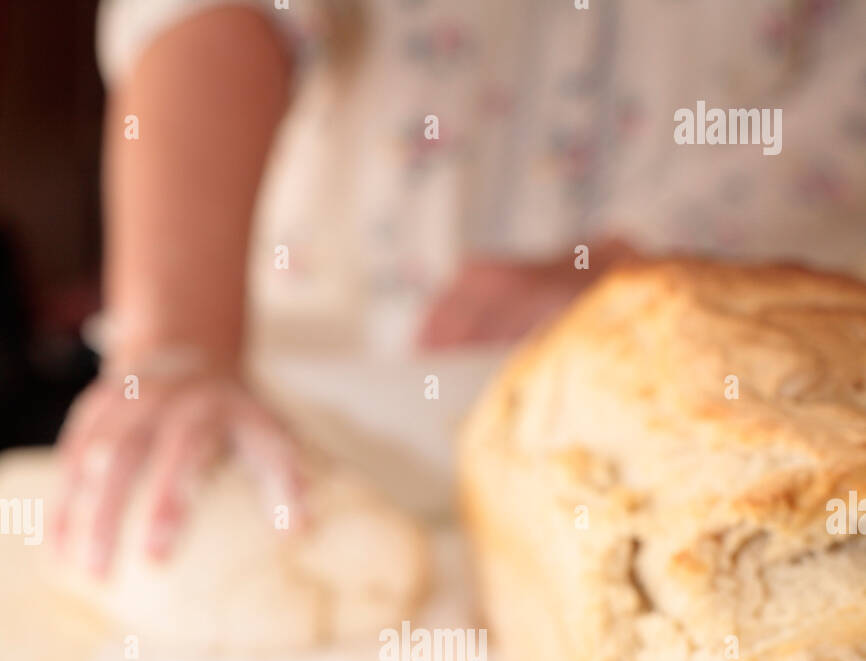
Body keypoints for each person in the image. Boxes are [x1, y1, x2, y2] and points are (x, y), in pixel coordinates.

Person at [57, 0, 866, 574]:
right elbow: (214, 11)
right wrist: (178, 343)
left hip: (737, 393)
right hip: (321, 393)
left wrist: (639, 259)